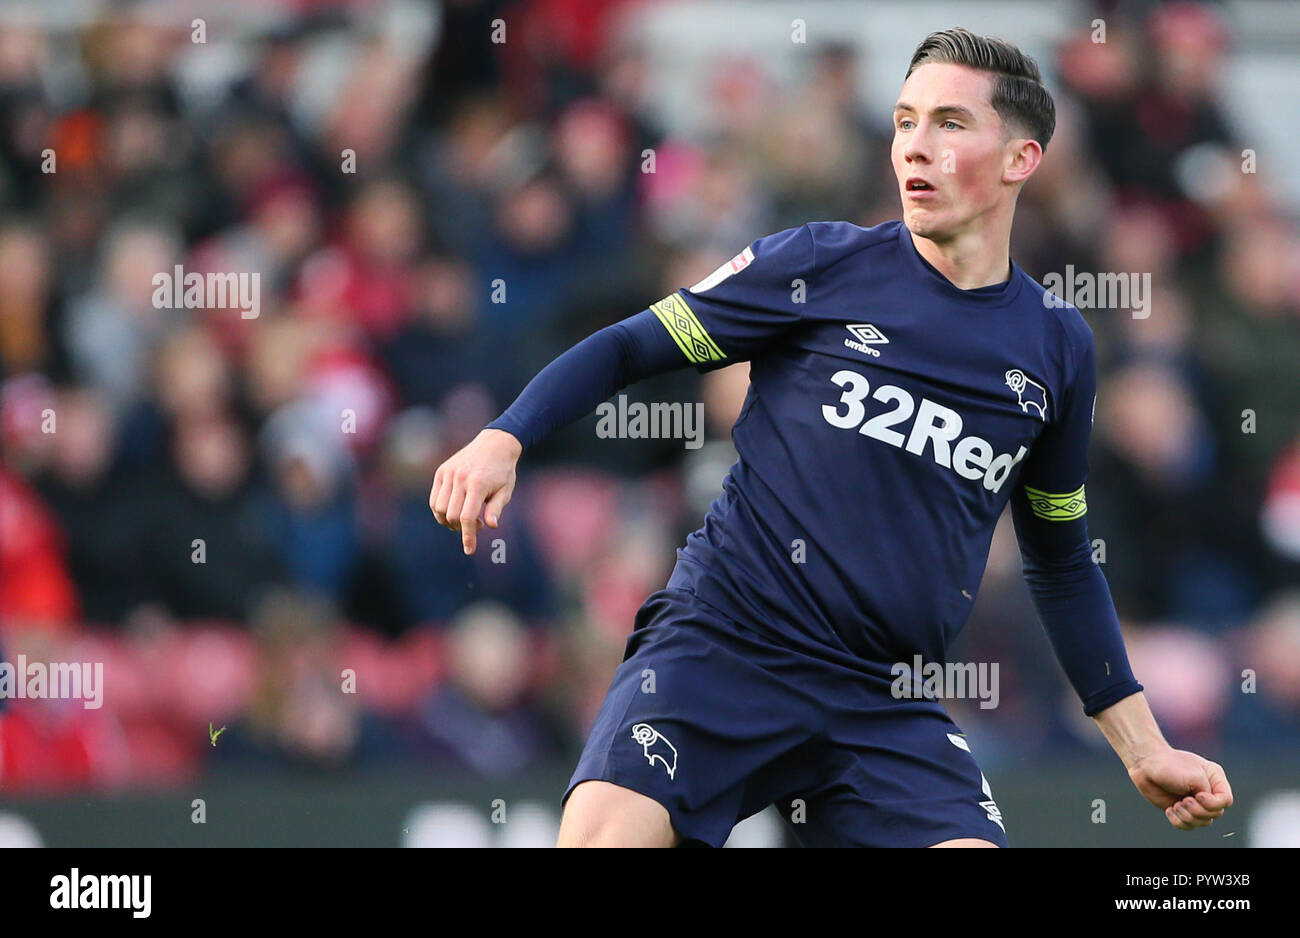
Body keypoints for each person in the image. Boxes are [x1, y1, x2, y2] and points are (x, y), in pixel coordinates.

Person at [429, 27, 1233, 847]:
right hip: (726, 642)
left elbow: (1060, 558)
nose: (915, 147)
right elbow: (632, 345)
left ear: (1021, 158)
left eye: (950, 124)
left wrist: (1144, 747)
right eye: (904, 121)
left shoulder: (1058, 347)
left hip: (883, 693)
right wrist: (506, 436)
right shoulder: (818, 264)